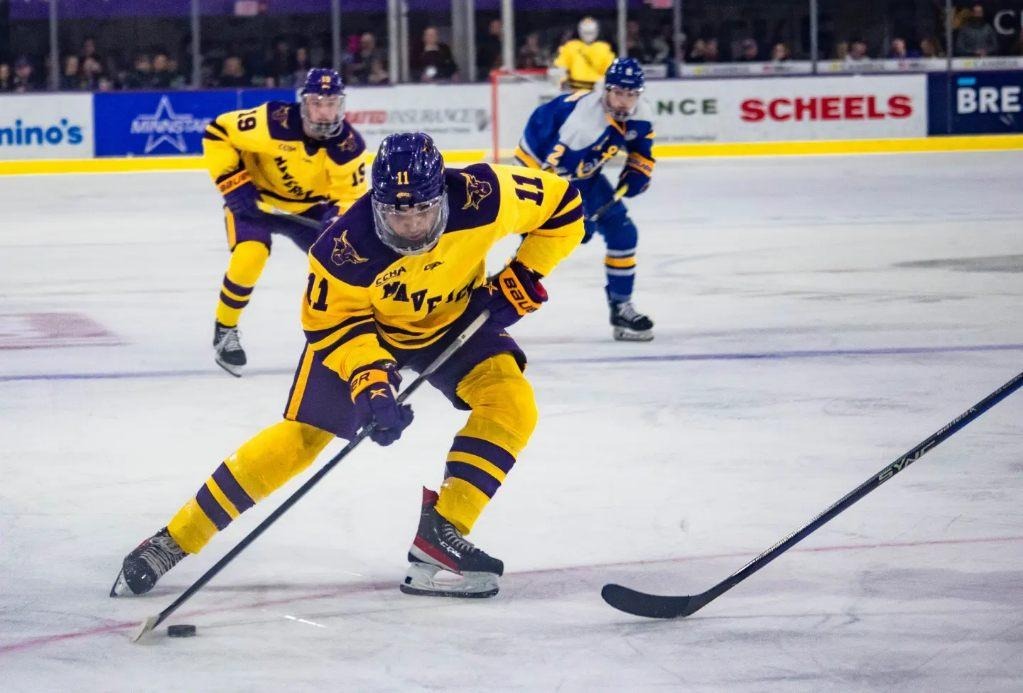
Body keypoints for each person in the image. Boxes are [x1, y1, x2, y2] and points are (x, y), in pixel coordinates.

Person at [110, 132, 584, 599]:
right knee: (302, 437)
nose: (413, 227)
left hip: (454, 319)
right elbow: (333, 327)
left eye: (423, 209)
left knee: (512, 404)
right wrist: (372, 383)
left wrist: (523, 274)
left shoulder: (485, 195)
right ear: (377, 204)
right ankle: (174, 540)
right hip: (368, 333)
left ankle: (441, 535)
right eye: (398, 214)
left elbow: (563, 207)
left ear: (444, 193)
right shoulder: (343, 247)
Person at [202, 68, 368, 376]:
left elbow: (350, 198)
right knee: (250, 254)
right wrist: (232, 183)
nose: (325, 111)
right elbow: (218, 132)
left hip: (307, 210)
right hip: (255, 203)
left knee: (348, 262)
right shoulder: (274, 121)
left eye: (331, 103)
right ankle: (225, 328)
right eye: (318, 102)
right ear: (304, 103)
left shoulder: (348, 147)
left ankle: (366, 334)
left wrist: (338, 220)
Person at [515, 58, 656, 341]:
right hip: (538, 172)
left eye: (632, 94)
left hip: (583, 173)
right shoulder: (583, 126)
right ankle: (489, 311)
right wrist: (573, 219)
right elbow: (551, 176)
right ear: (606, 89)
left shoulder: (640, 113)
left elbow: (641, 149)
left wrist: (638, 171)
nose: (625, 102)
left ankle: (621, 307)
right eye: (619, 93)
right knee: (538, 252)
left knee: (623, 232)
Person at [549, 17, 616, 90]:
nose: (588, 36)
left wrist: (604, 81)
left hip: (596, 88)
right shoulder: (571, 46)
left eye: (590, 32)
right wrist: (560, 75)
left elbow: (610, 70)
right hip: (574, 88)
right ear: (580, 31)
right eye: (585, 32)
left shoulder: (604, 48)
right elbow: (561, 64)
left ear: (596, 31)